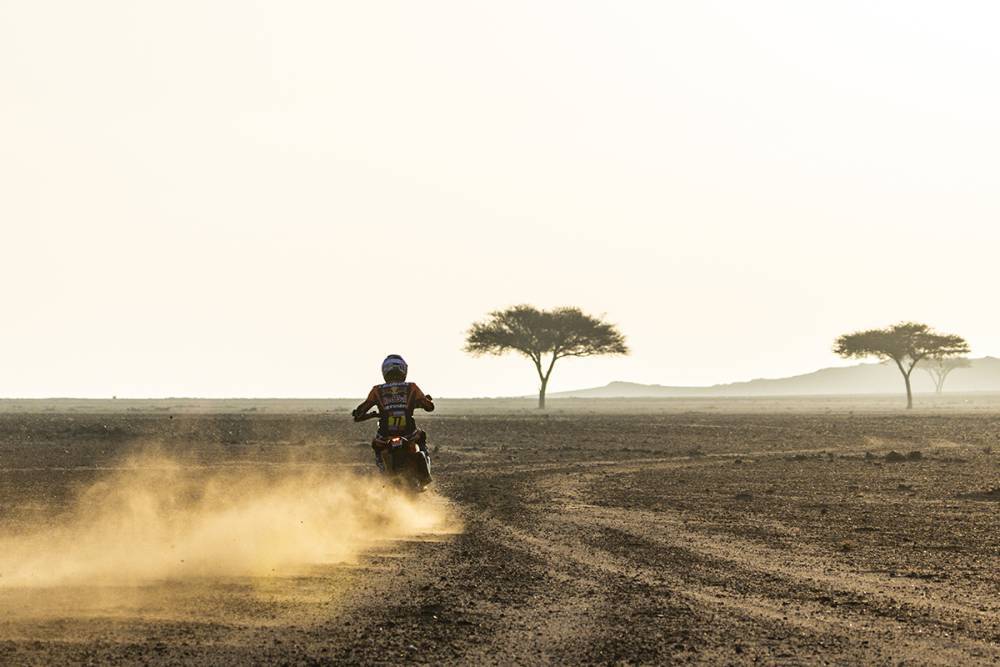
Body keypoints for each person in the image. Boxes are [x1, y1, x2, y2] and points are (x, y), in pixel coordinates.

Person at [352, 354, 435, 484]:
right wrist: (424, 402)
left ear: (384, 371)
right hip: (409, 434)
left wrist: (367, 414)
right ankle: (425, 475)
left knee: (377, 446)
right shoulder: (412, 387)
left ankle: (384, 473)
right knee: (421, 437)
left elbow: (360, 412)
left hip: (385, 436)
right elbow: (429, 407)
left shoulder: (377, 390)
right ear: (403, 370)